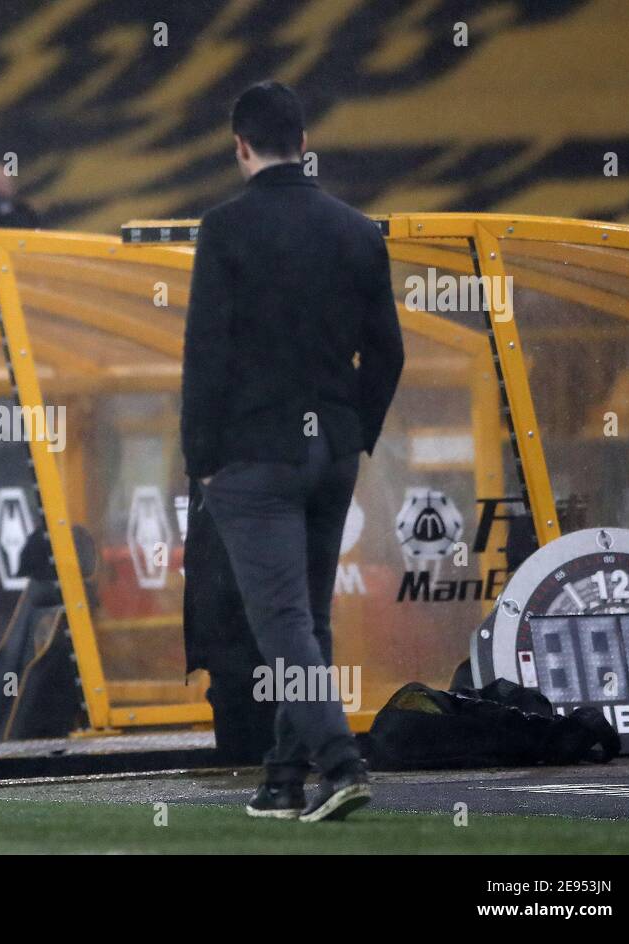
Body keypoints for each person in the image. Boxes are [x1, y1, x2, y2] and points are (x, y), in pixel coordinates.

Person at [180, 82, 404, 822]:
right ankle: (282, 778)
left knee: (282, 624)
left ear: (239, 146)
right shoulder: (358, 232)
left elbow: (205, 356)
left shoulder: (224, 230)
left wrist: (200, 459)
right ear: (304, 145)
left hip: (253, 457)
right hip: (332, 453)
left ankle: (340, 763)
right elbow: (389, 354)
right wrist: (355, 433)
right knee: (307, 617)